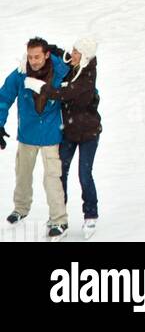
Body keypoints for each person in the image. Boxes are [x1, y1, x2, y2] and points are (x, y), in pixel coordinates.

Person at [0, 38, 70, 238]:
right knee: (22, 174)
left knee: (52, 180)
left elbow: (82, 90)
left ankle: (59, 220)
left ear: (47, 55)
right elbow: (3, 97)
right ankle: (20, 209)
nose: (33, 61)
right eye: (30, 57)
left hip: (51, 135)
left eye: (37, 57)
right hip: (28, 135)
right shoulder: (20, 74)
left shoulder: (62, 71)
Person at [38, 38, 101, 237]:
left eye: (77, 52)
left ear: (85, 56)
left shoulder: (87, 76)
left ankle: (90, 215)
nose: (72, 54)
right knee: (59, 173)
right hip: (69, 133)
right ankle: (59, 216)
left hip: (89, 134)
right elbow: (63, 56)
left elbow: (64, 93)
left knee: (84, 174)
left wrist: (43, 88)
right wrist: (48, 48)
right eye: (73, 50)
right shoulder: (75, 64)